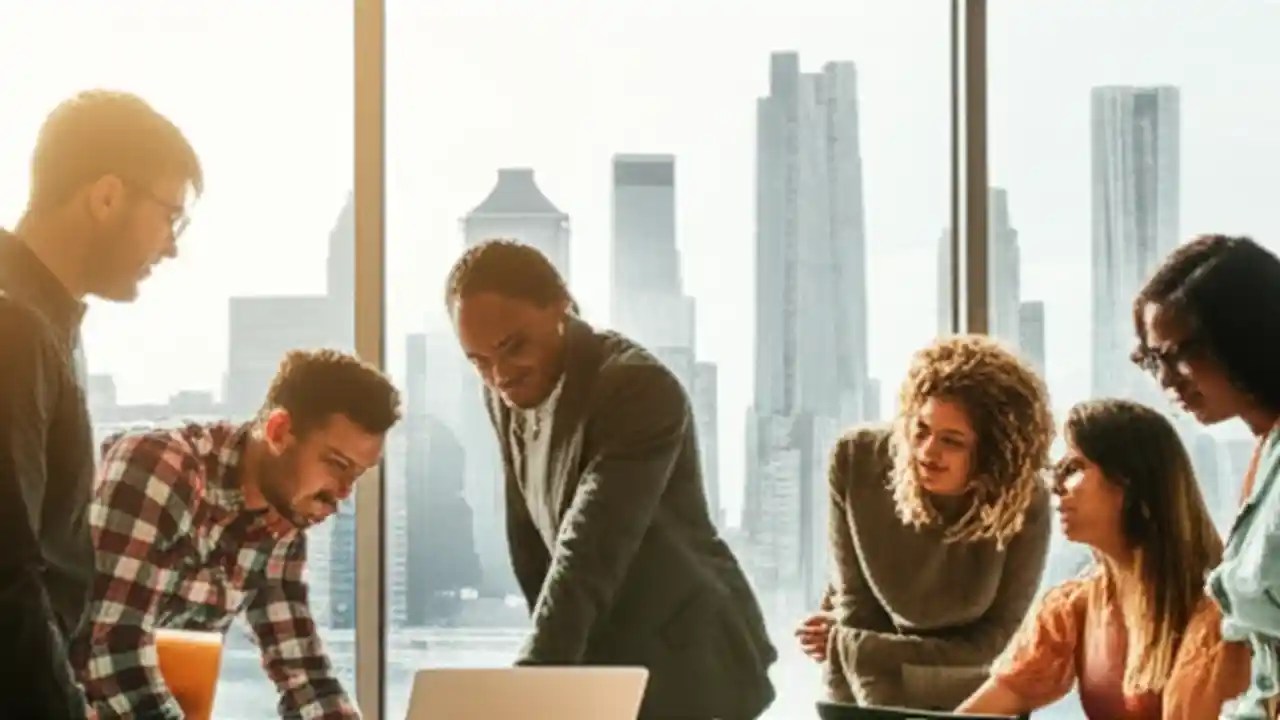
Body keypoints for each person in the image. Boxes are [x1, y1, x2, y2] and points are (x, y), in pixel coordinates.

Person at [445, 238, 776, 719]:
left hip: (691, 665)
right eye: (478, 361)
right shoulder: (505, 392)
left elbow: (590, 543)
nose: (498, 375)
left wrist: (534, 680)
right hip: (602, 665)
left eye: (512, 346)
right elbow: (537, 544)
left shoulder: (637, 387)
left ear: (561, 305)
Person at [0, 90, 201, 718]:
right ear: (107, 195)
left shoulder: (48, 326)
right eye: (172, 215)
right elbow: (9, 574)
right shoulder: (16, 327)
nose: (171, 247)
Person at [71, 349, 401, 719]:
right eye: (337, 464)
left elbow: (303, 672)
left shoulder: (280, 524)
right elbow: (111, 648)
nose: (342, 493)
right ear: (278, 431)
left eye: (355, 475)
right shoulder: (163, 466)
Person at [798, 335, 1053, 710]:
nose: (927, 452)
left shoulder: (1024, 501)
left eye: (951, 441)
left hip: (978, 697)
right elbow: (858, 614)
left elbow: (997, 642)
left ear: (993, 453)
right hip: (870, 693)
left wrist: (852, 644)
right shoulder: (857, 461)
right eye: (920, 430)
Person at [958, 398, 1250, 719]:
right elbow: (989, 706)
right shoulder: (1075, 607)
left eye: (1074, 468)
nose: (1057, 487)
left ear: (1129, 482)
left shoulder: (1218, 614)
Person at [1131, 234, 1280, 718]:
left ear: (1243, 333)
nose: (1166, 379)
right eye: (1154, 359)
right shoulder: (1265, 456)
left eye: (1179, 354)